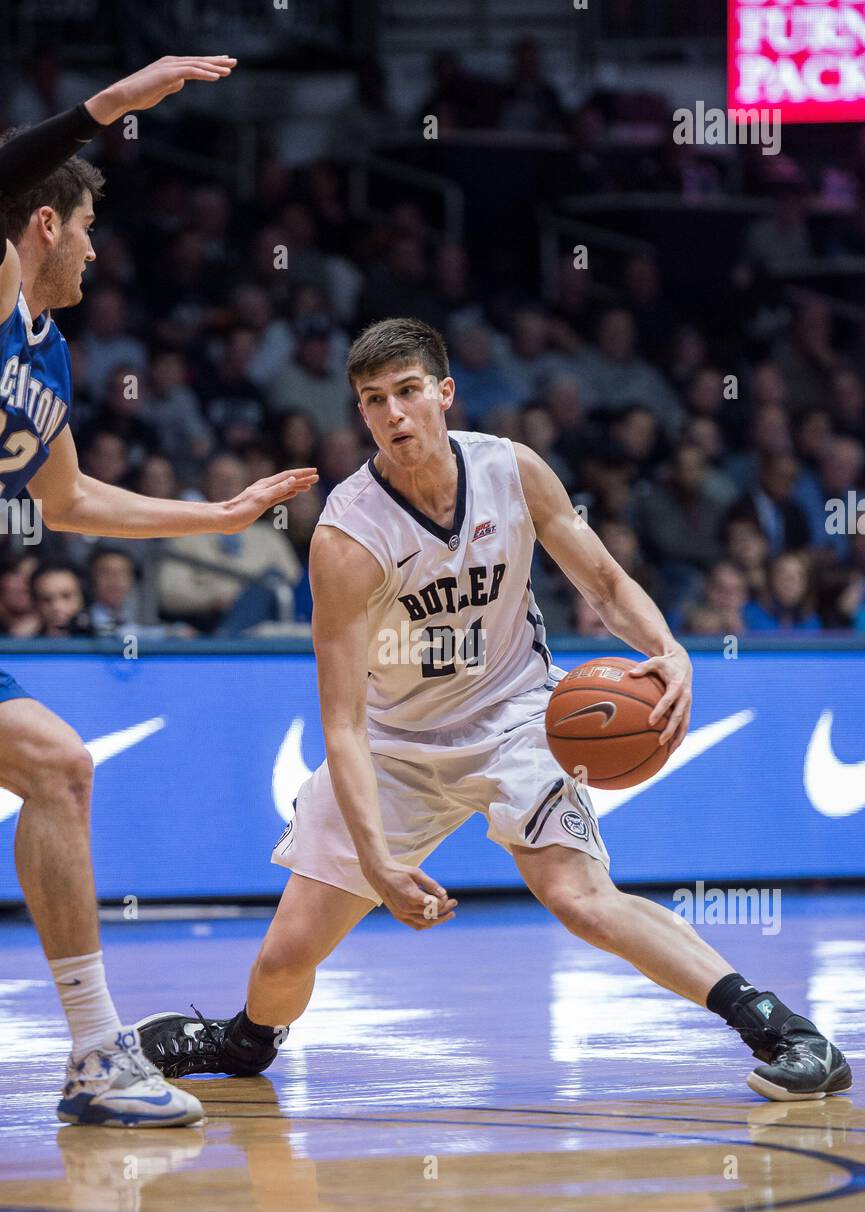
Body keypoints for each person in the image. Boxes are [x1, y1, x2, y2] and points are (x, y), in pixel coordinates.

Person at [139, 318, 850, 1103]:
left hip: (517, 716)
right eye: (373, 400)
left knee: (582, 902)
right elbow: (340, 722)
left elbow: (605, 585)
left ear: (444, 393)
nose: (394, 413)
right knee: (284, 958)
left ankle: (785, 1031)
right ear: (361, 414)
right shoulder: (346, 535)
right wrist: (378, 861)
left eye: (408, 391)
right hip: (395, 742)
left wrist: (669, 648)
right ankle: (245, 1043)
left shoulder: (512, 471)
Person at [0, 54, 318, 1126]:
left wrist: (217, 516)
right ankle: (96, 1052)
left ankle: (96, 1054)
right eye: (85, 229)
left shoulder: (48, 364)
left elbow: (72, 496)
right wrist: (109, 108)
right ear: (43, 226)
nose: (95, 250)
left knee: (55, 766)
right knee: (58, 763)